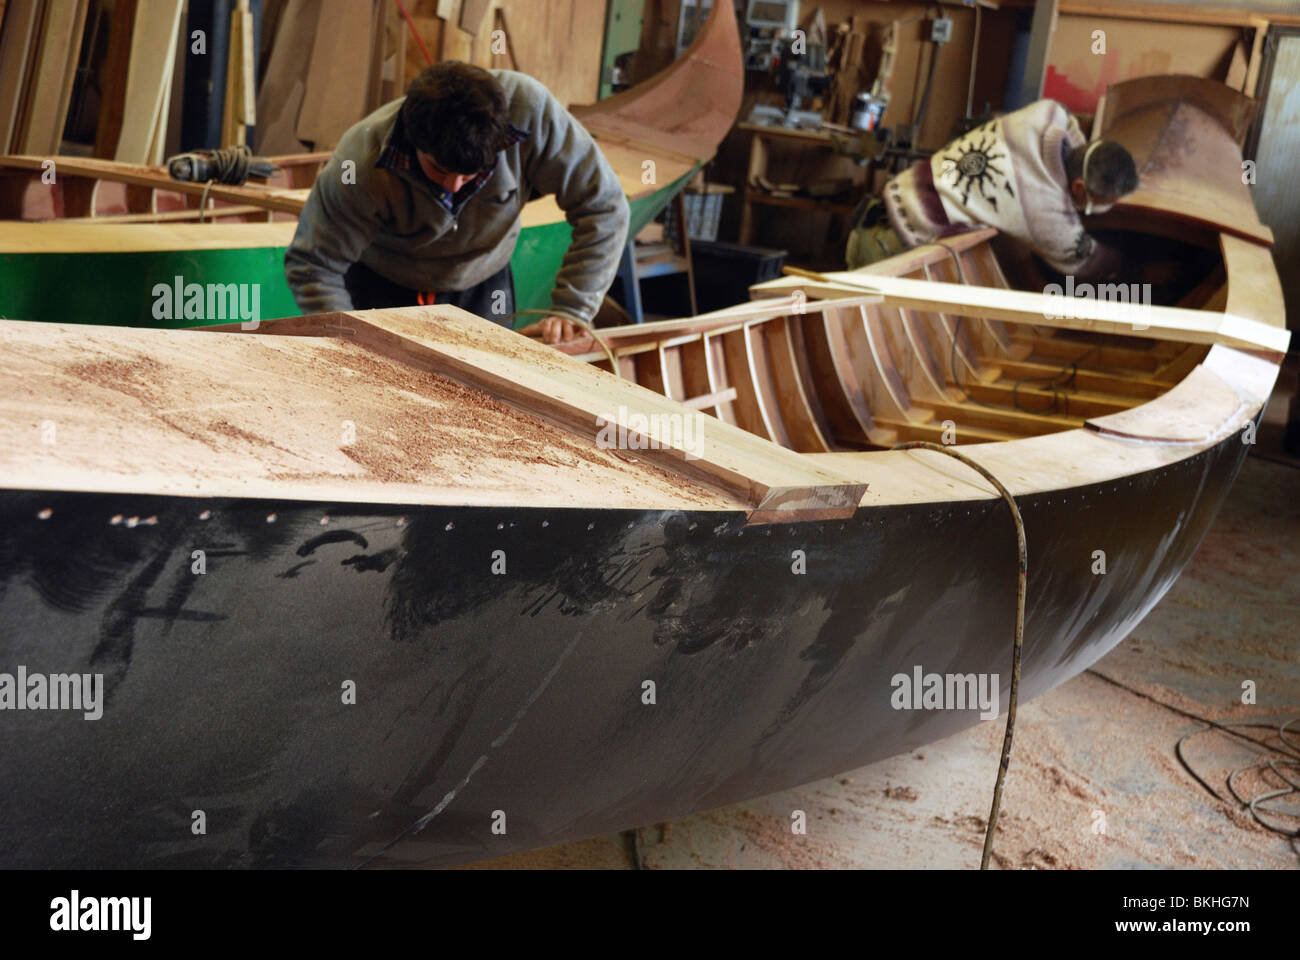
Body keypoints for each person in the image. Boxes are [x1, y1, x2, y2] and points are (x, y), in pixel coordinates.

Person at [285, 62, 630, 343]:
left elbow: (605, 206)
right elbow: (315, 264)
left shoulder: (532, 115)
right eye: (439, 169)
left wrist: (573, 307)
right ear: (413, 139)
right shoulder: (358, 160)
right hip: (383, 284)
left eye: (470, 177)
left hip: (483, 283)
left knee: (488, 401)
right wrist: (348, 338)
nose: (452, 188)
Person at [880, 99, 1138, 280]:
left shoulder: (1048, 113)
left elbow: (1068, 119)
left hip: (894, 192)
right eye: (1103, 201)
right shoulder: (1045, 211)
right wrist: (1136, 270)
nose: (1104, 208)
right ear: (1079, 188)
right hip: (895, 241)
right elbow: (1087, 262)